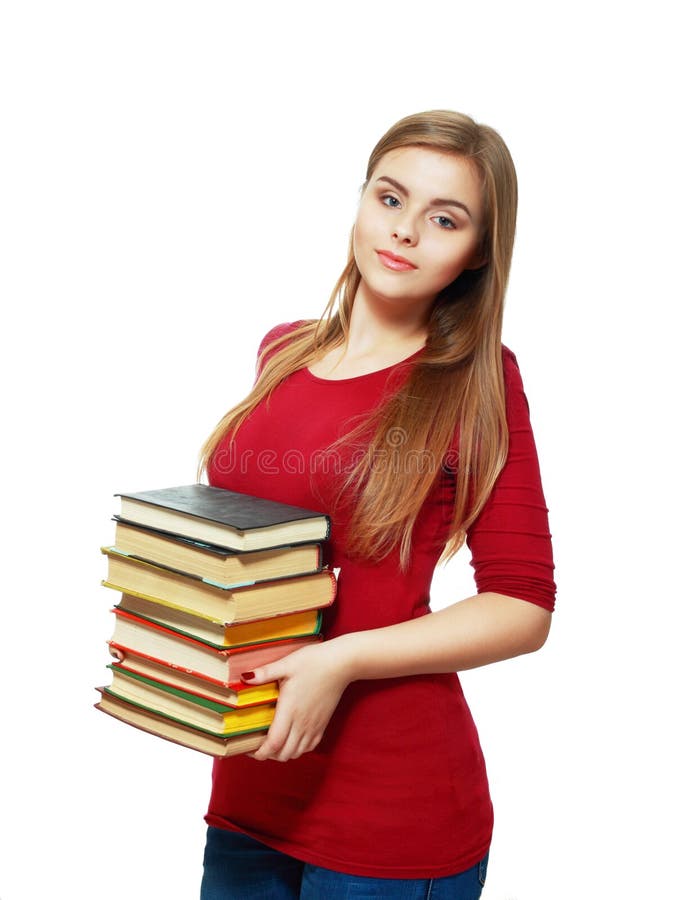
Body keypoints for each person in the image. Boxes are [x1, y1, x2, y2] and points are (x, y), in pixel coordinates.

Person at [197, 109, 556, 899]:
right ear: (360, 201)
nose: (405, 233)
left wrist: (342, 658)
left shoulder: (477, 381)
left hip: (393, 812)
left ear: (474, 255)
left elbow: (522, 604)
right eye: (390, 199)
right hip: (252, 779)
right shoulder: (283, 348)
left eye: (444, 218)